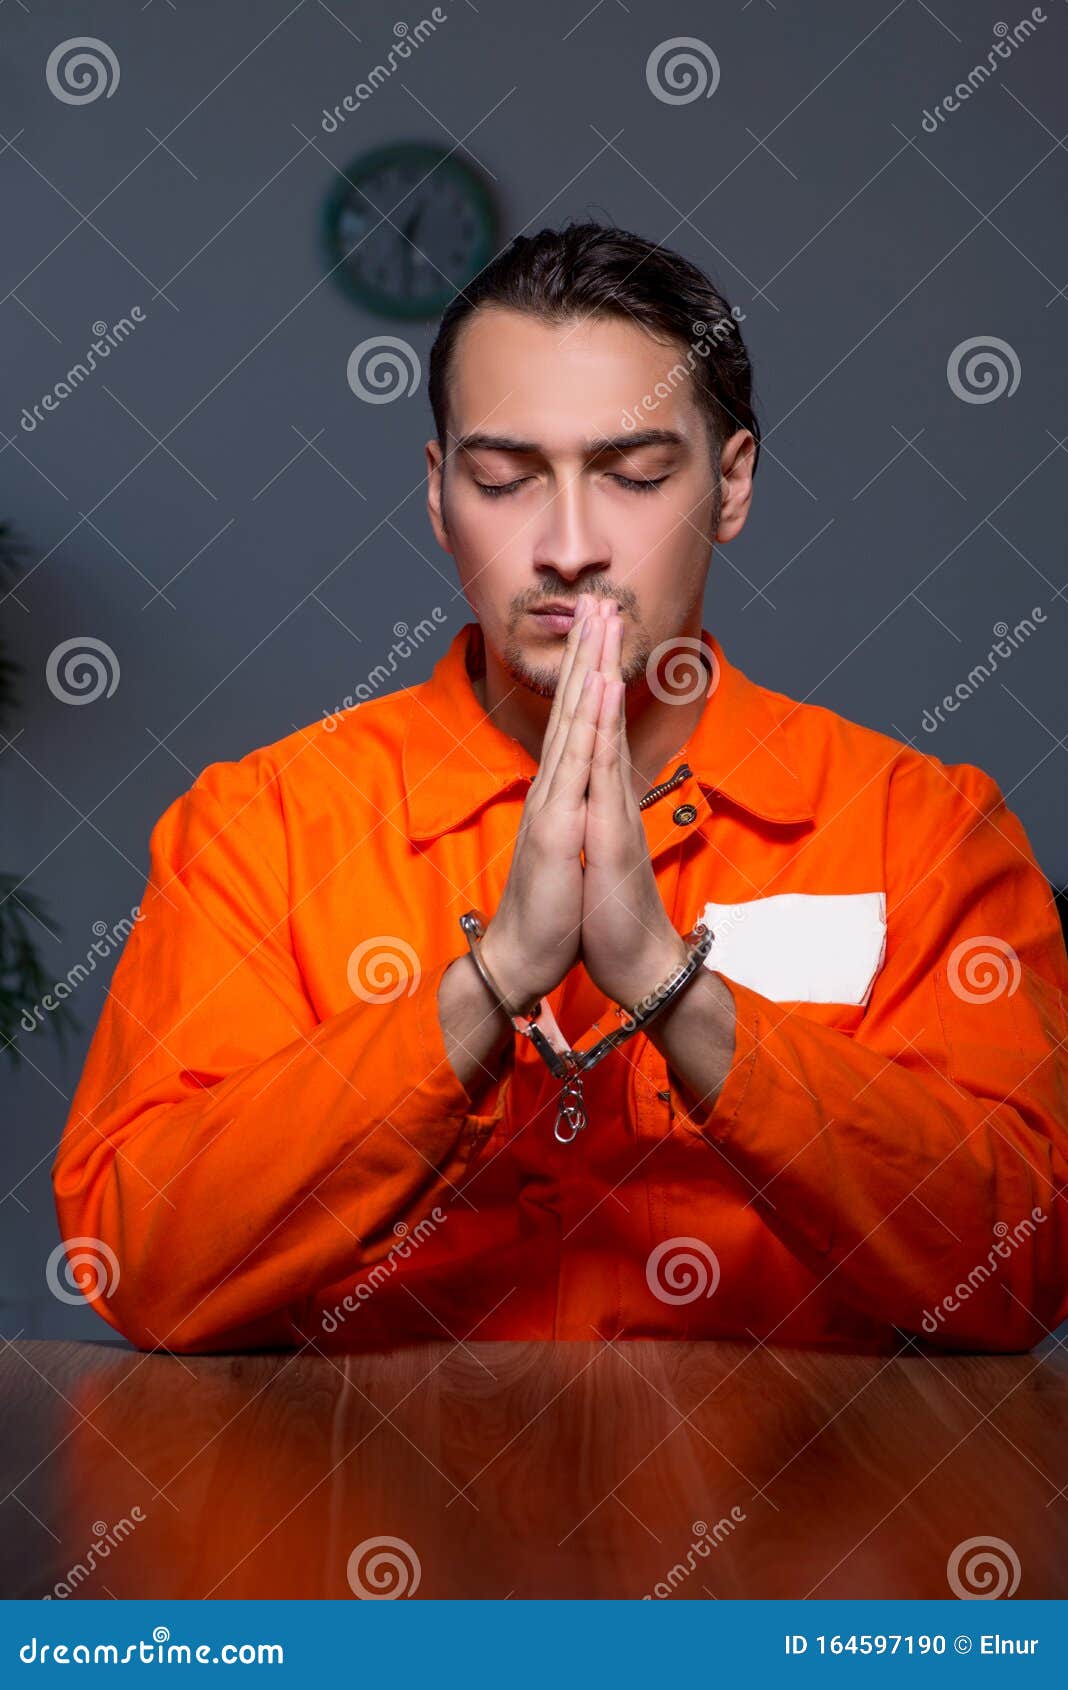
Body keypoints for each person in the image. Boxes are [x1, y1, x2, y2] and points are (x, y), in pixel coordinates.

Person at [51, 223, 1068, 1355]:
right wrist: (484, 991)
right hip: (373, 1515)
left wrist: (673, 991)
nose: (570, 544)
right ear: (441, 498)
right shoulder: (262, 828)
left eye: (635, 476)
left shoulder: (919, 827)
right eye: (504, 478)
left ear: (731, 486)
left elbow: (1021, 1268)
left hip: (786, 1513)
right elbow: (139, 1264)